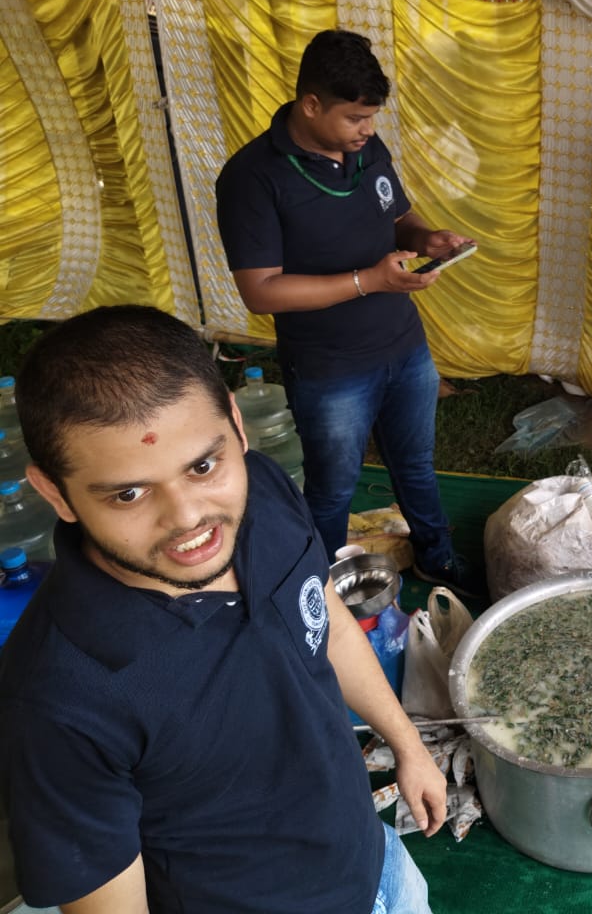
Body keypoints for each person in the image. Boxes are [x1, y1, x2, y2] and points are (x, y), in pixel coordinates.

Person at [0, 306, 446, 913]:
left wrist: (407, 744)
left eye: (203, 466)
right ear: (55, 493)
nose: (188, 518)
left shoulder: (262, 491)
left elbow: (324, 619)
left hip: (378, 864)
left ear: (237, 425)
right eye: (129, 493)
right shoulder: (58, 700)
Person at [216, 29, 471, 589]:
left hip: (403, 345)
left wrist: (426, 238)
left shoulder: (366, 150)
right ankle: (323, 588)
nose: (367, 130)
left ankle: (436, 556)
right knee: (333, 488)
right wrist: (369, 281)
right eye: (355, 117)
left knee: (415, 464)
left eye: (372, 117)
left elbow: (396, 216)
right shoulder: (251, 178)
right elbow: (261, 290)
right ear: (311, 104)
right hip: (330, 366)